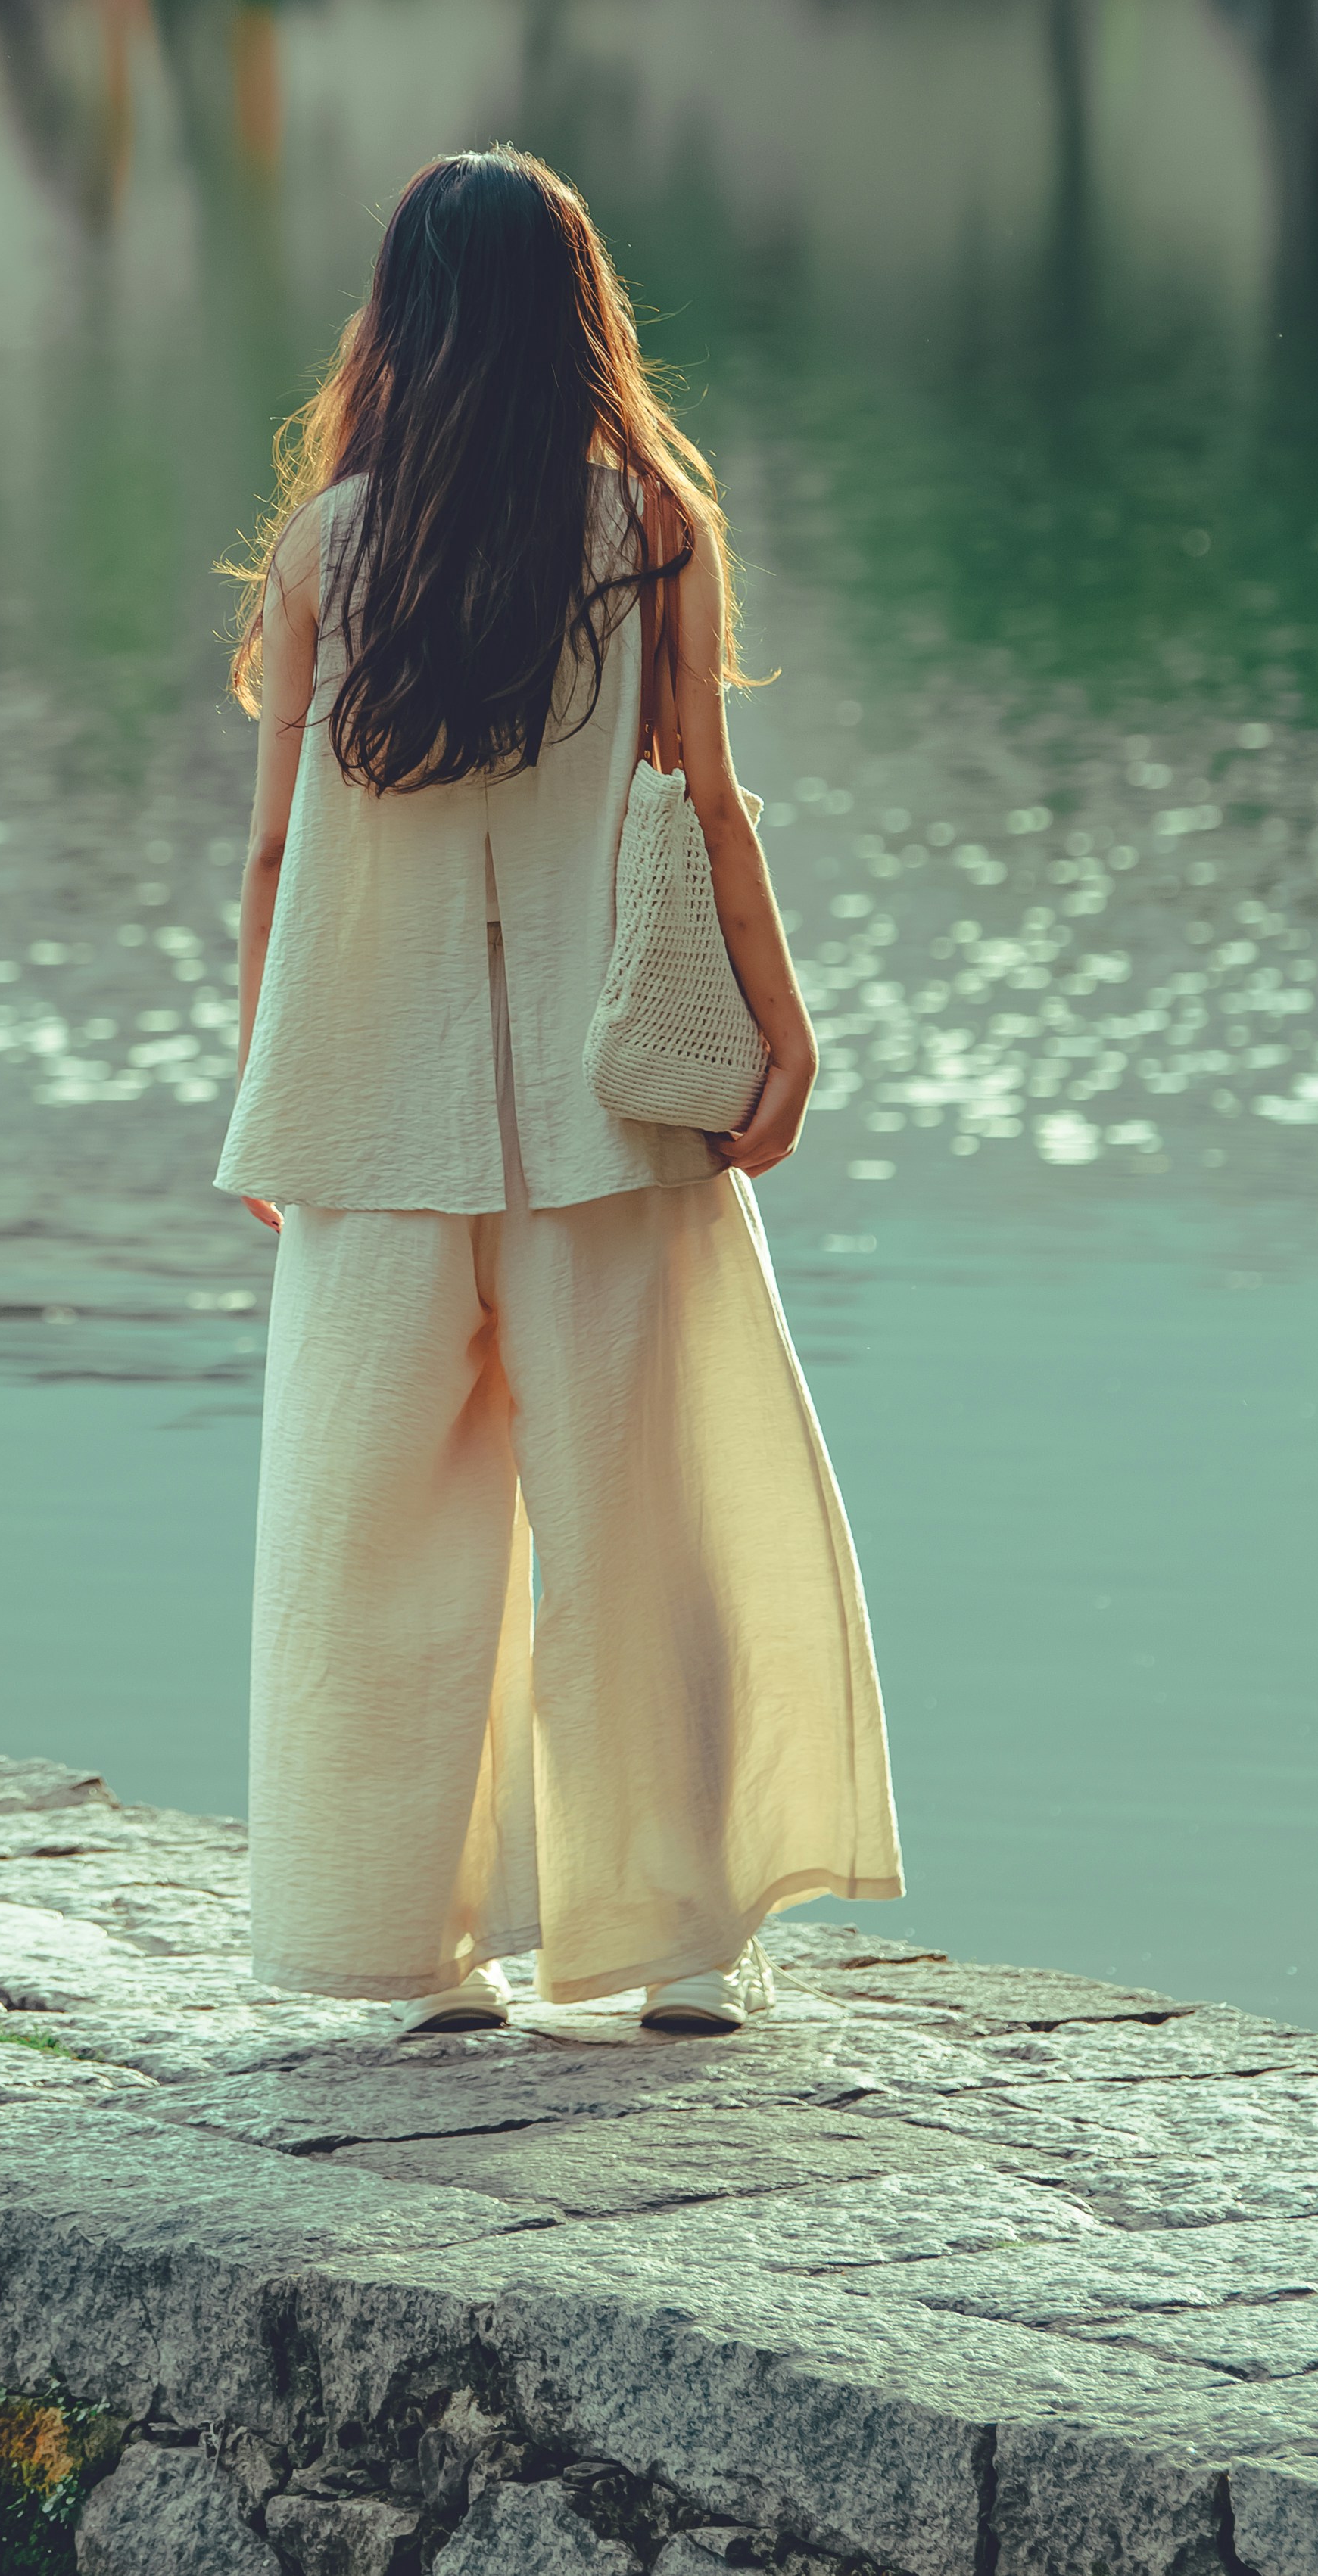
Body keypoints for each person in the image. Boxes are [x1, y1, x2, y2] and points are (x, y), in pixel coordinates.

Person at [218, 147, 900, 2038]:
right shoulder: (650, 524)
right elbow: (709, 800)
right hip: (617, 1105)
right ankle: (670, 1945)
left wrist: (265, 1095)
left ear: (397, 322)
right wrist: (782, 1030)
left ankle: (399, 1951)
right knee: (646, 1513)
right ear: (575, 310)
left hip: (364, 1104)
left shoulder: (323, 547)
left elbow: (272, 861)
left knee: (373, 1541)